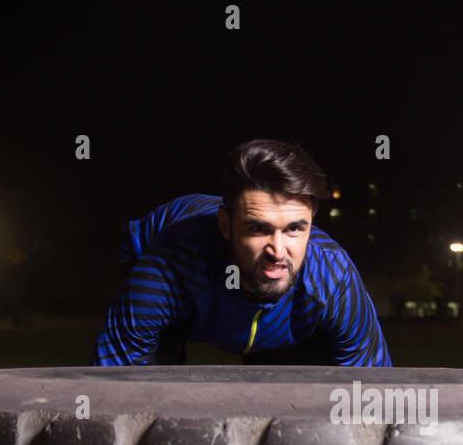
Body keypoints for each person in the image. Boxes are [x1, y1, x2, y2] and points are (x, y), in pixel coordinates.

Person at [90, 138, 391, 367]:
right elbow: (108, 388)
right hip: (186, 289)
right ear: (225, 225)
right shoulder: (168, 266)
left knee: (291, 387)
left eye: (294, 229)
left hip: (275, 323)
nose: (277, 251)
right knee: (153, 388)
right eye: (258, 229)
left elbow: (375, 392)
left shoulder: (332, 276)